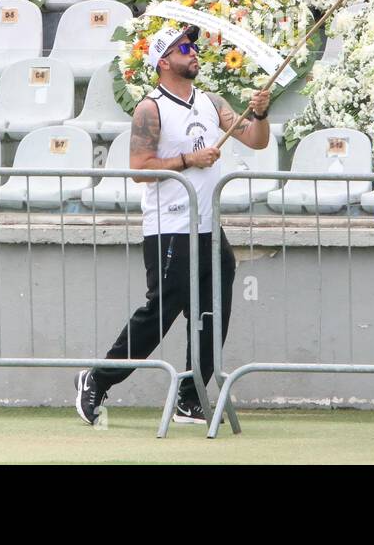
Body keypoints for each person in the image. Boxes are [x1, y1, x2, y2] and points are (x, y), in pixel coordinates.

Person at [74, 25, 271, 426]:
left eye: (194, 46)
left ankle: (190, 394)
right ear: (163, 62)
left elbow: (257, 140)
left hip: (208, 225)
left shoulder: (213, 101)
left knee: (214, 309)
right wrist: (188, 161)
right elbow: (140, 170)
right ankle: (98, 377)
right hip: (169, 226)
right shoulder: (150, 108)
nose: (194, 51)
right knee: (161, 311)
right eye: (184, 47)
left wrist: (262, 113)